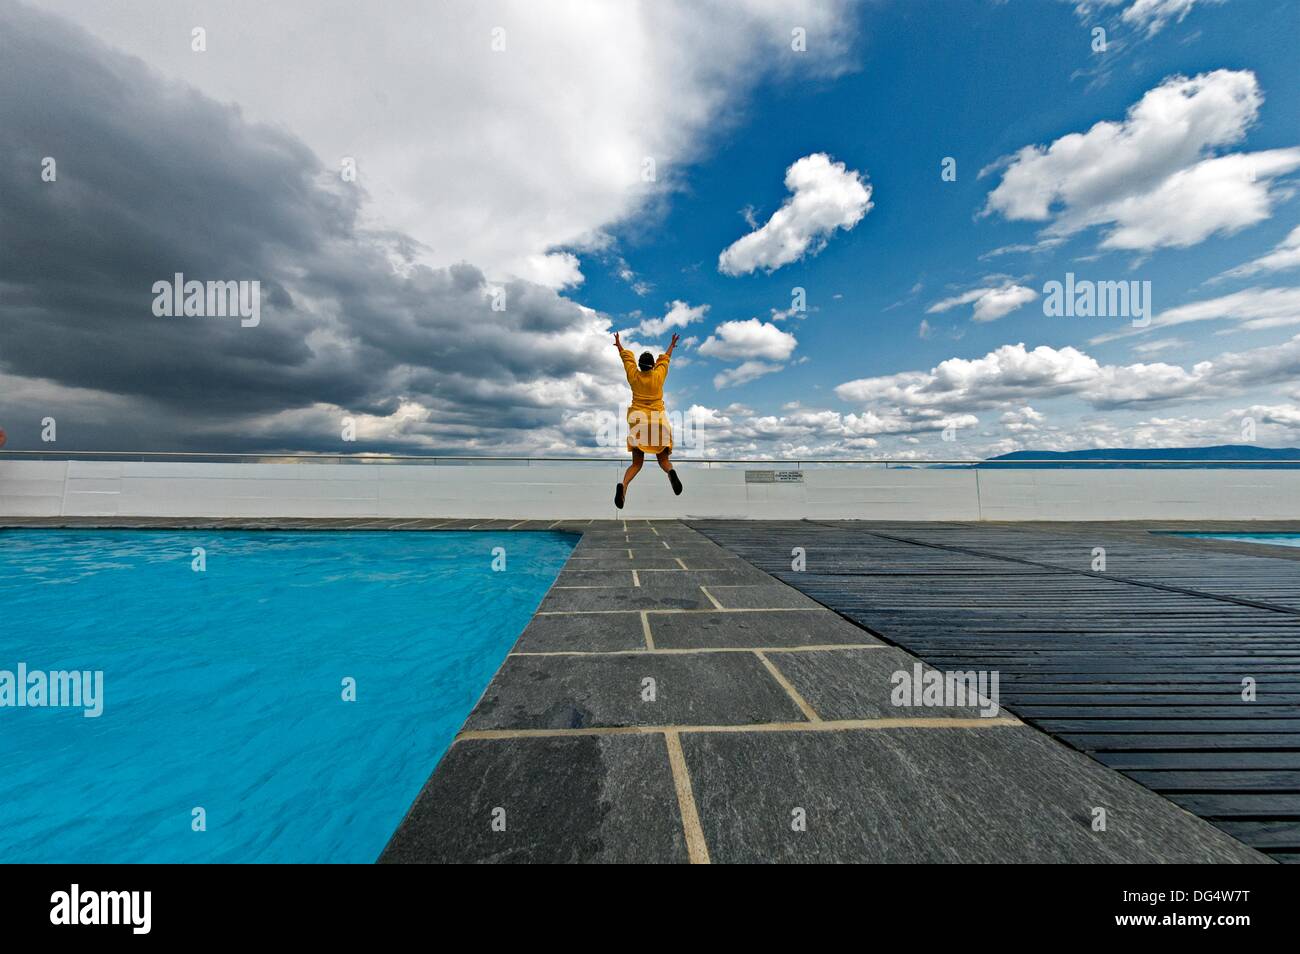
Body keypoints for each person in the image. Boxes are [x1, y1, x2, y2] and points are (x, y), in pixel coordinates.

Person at [613, 331, 682, 508]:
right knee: (663, 461)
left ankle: (624, 486)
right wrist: (672, 344)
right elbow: (665, 358)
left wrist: (619, 344)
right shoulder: (658, 376)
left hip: (638, 423)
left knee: (636, 464)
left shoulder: (634, 376)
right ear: (652, 366)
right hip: (658, 422)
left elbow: (626, 359)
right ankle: (671, 473)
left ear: (640, 365)